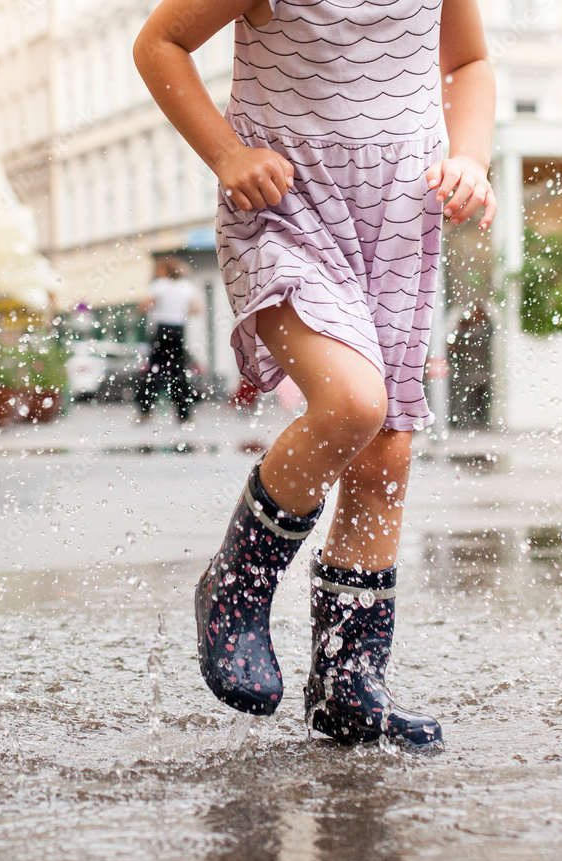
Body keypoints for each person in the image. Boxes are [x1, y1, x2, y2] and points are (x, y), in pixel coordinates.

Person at [135, 0, 496, 747]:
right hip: (287, 210)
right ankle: (236, 587)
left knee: (387, 449)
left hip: (401, 216)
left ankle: (347, 680)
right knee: (353, 404)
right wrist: (229, 155)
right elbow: (160, 42)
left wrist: (470, 157)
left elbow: (466, 63)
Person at [136, 256, 201, 422]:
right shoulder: (186, 286)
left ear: (164, 270)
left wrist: (156, 307)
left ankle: (145, 410)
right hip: (178, 332)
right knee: (178, 372)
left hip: (161, 330)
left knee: (154, 370)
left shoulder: (159, 285)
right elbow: (196, 309)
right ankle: (184, 413)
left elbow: (142, 306)